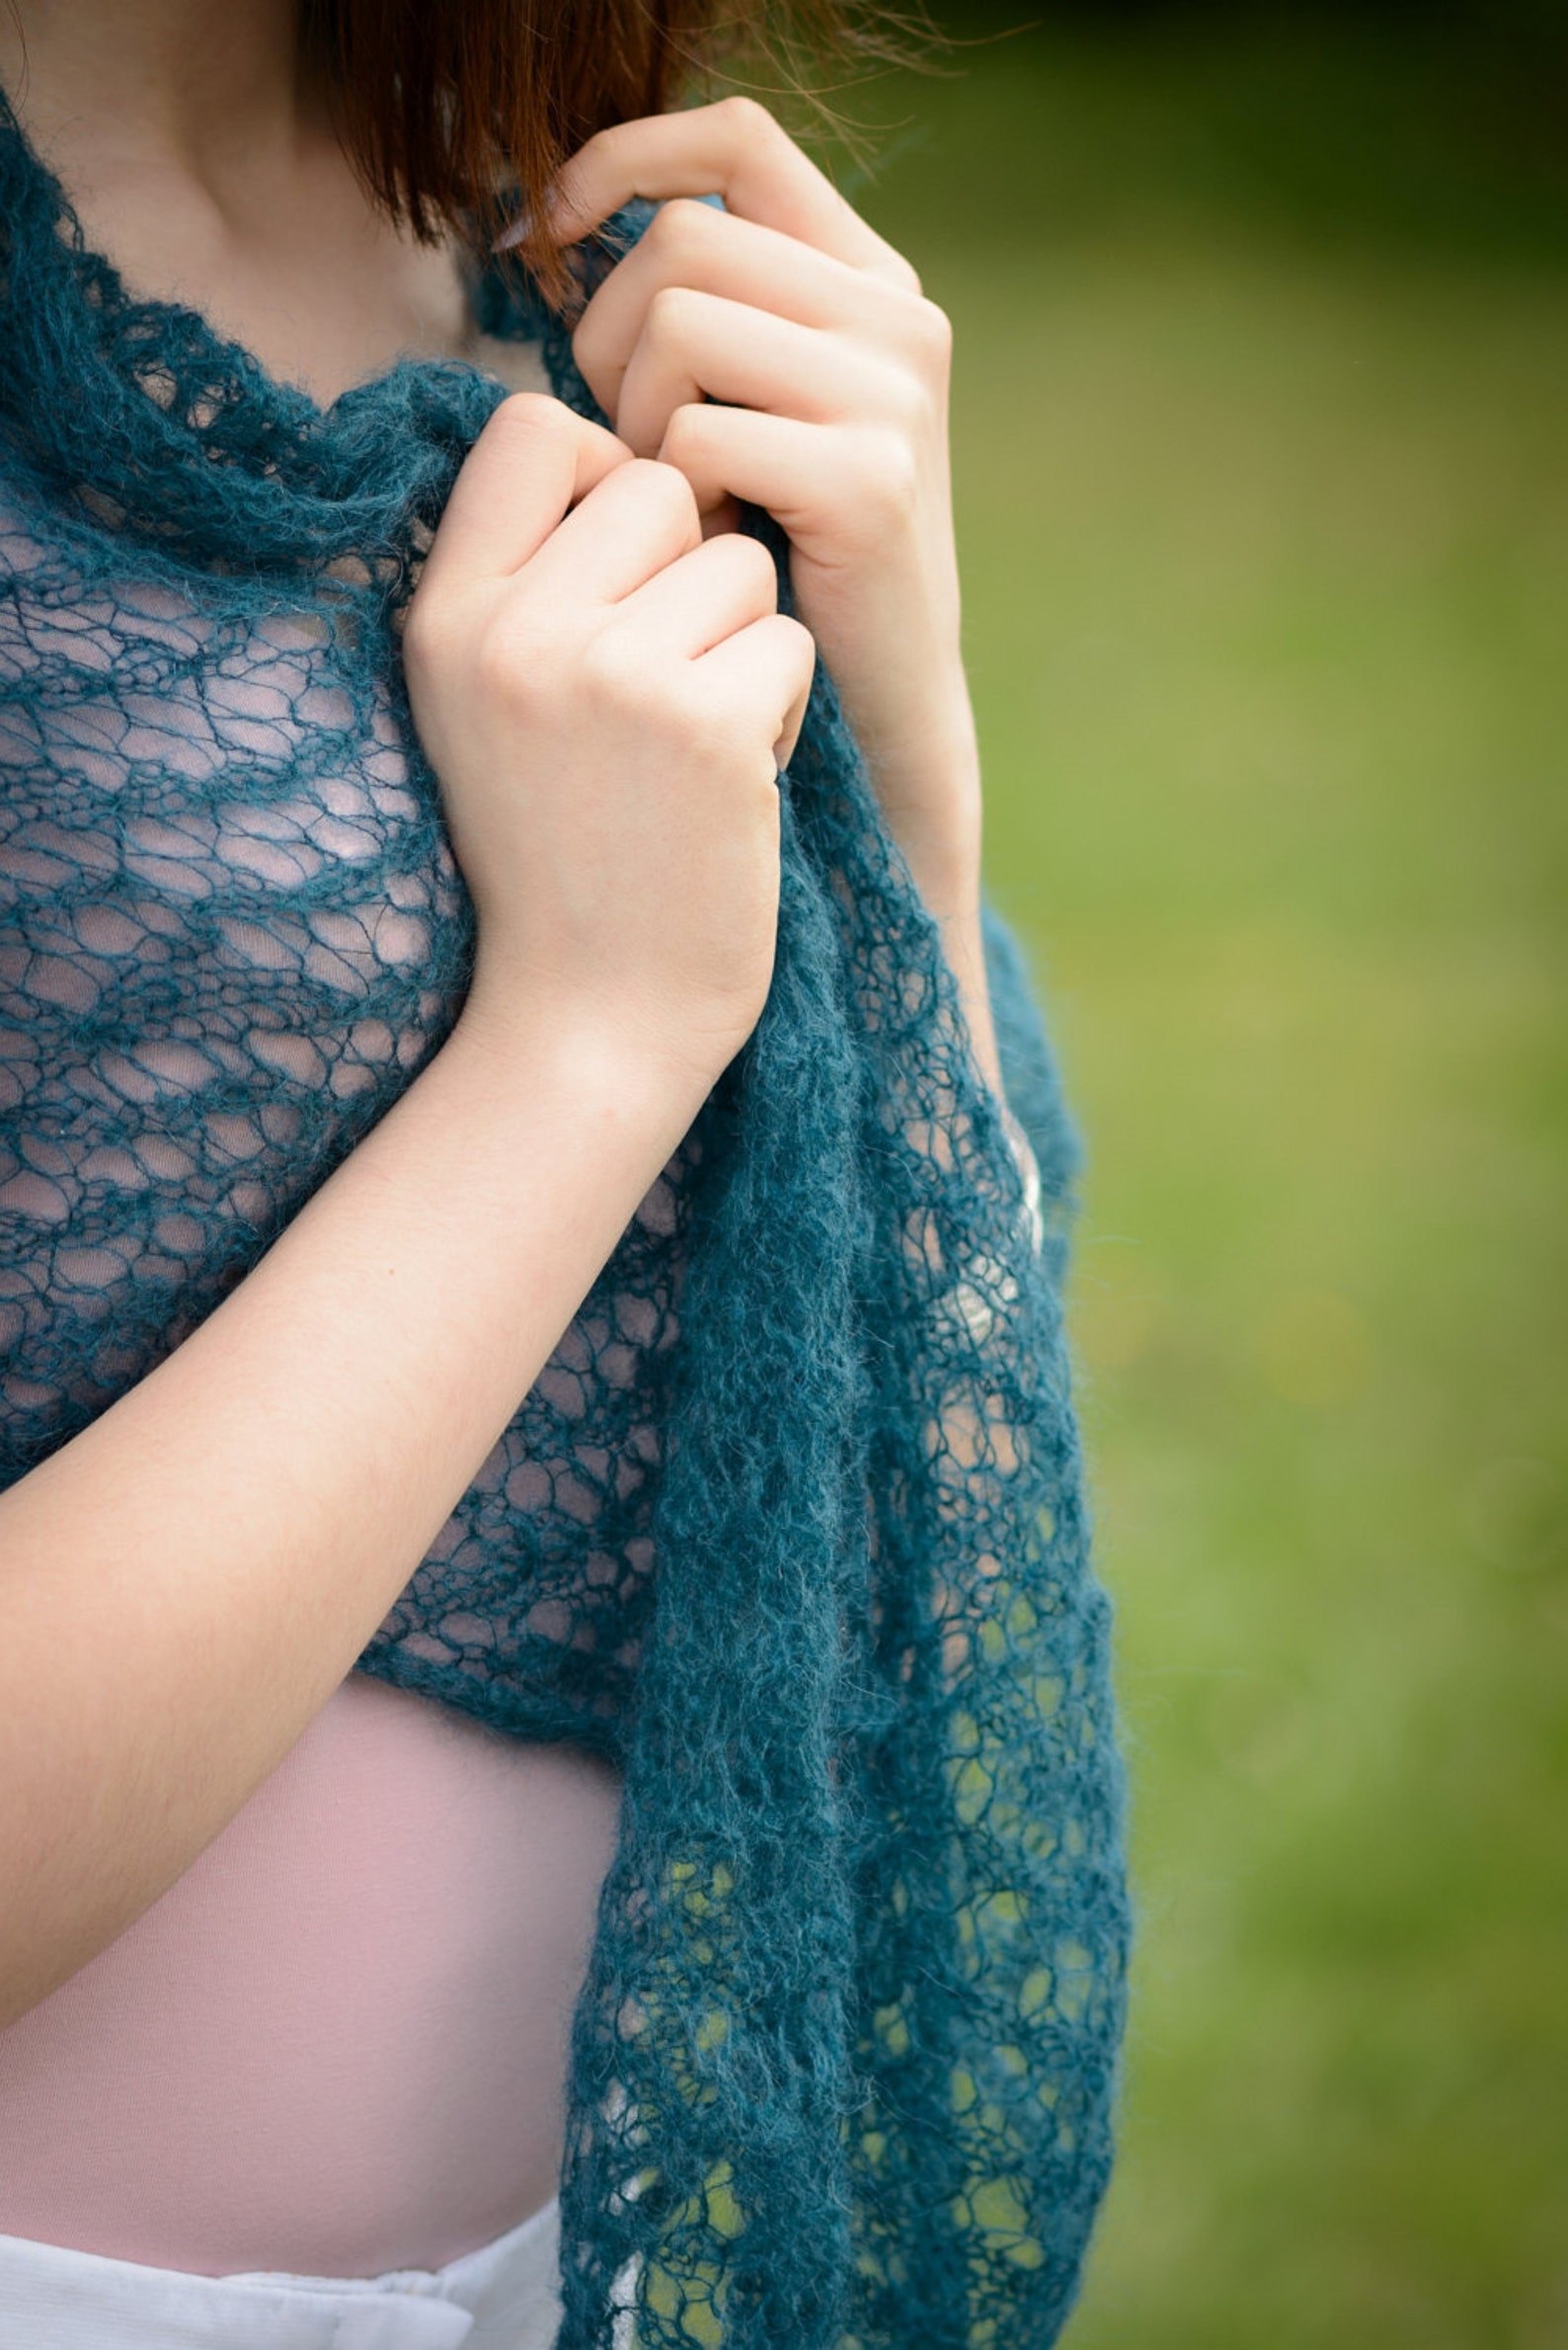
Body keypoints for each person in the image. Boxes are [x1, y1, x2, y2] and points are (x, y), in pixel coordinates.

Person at [0, 3, 1129, 2345]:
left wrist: (897, 808)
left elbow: (931, 1452)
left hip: (597, 2262)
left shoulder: (561, 235)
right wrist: (588, 1033)